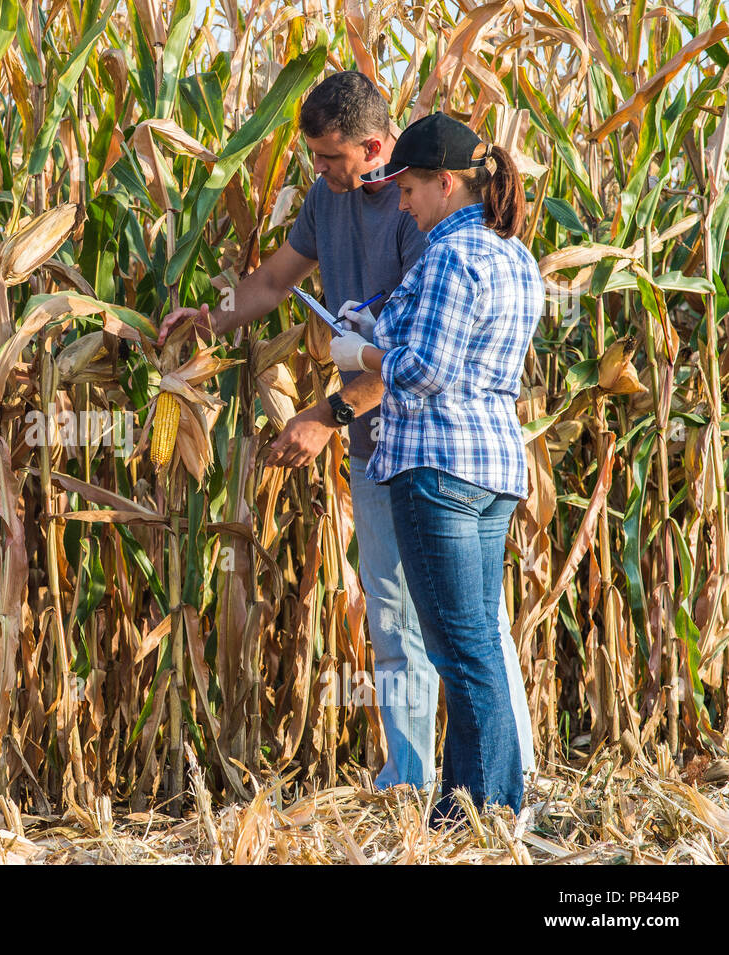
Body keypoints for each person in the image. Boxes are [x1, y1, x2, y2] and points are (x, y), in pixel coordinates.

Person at [160, 72, 534, 792]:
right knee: (396, 623)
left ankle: (501, 784)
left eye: (332, 159)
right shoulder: (329, 201)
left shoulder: (423, 216)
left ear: (373, 146)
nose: (321, 173)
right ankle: (413, 779)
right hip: (384, 452)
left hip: (430, 451)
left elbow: (414, 361)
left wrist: (326, 414)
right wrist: (208, 320)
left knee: (467, 630)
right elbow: (271, 284)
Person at [315, 111, 545, 823]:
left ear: (445, 184)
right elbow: (462, 350)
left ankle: (470, 808)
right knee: (478, 638)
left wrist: (362, 357)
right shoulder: (513, 254)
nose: (403, 204)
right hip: (494, 467)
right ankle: (493, 806)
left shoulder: (447, 255)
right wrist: (374, 324)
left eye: (410, 189)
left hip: (437, 467)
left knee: (459, 648)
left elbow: (425, 369)